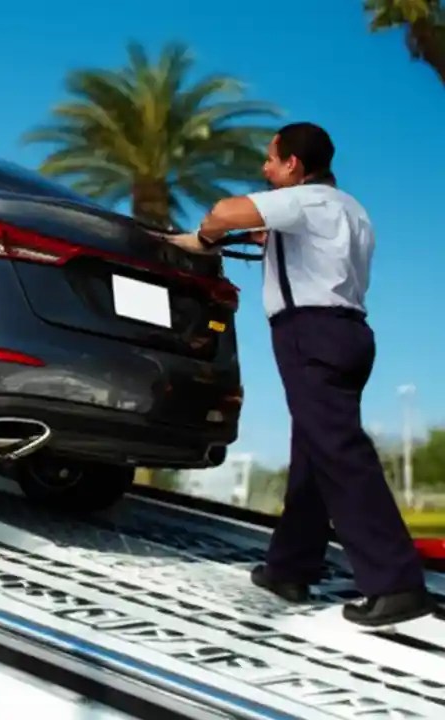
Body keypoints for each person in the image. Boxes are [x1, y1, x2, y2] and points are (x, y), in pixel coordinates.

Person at [167, 122, 436, 628]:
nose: (265, 170)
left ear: (294, 164)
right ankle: (290, 568)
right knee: (314, 454)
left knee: (340, 454)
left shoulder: (306, 200)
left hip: (309, 334)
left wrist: (205, 236)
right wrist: (267, 237)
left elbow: (226, 212)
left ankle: (397, 584)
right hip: (349, 332)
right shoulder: (350, 209)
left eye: (271, 161)